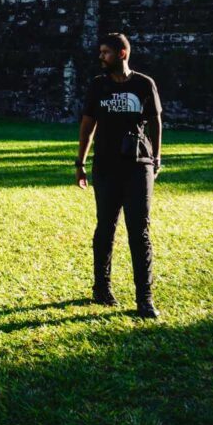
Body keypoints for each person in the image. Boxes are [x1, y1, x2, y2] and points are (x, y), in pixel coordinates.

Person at [75, 32, 162, 319]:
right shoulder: (98, 86)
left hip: (138, 166)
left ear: (122, 54)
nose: (101, 57)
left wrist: (156, 158)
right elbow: (88, 126)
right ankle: (101, 287)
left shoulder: (144, 84)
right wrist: (80, 163)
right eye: (100, 52)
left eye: (106, 53)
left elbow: (155, 121)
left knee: (140, 231)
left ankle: (144, 298)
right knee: (105, 228)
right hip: (106, 167)